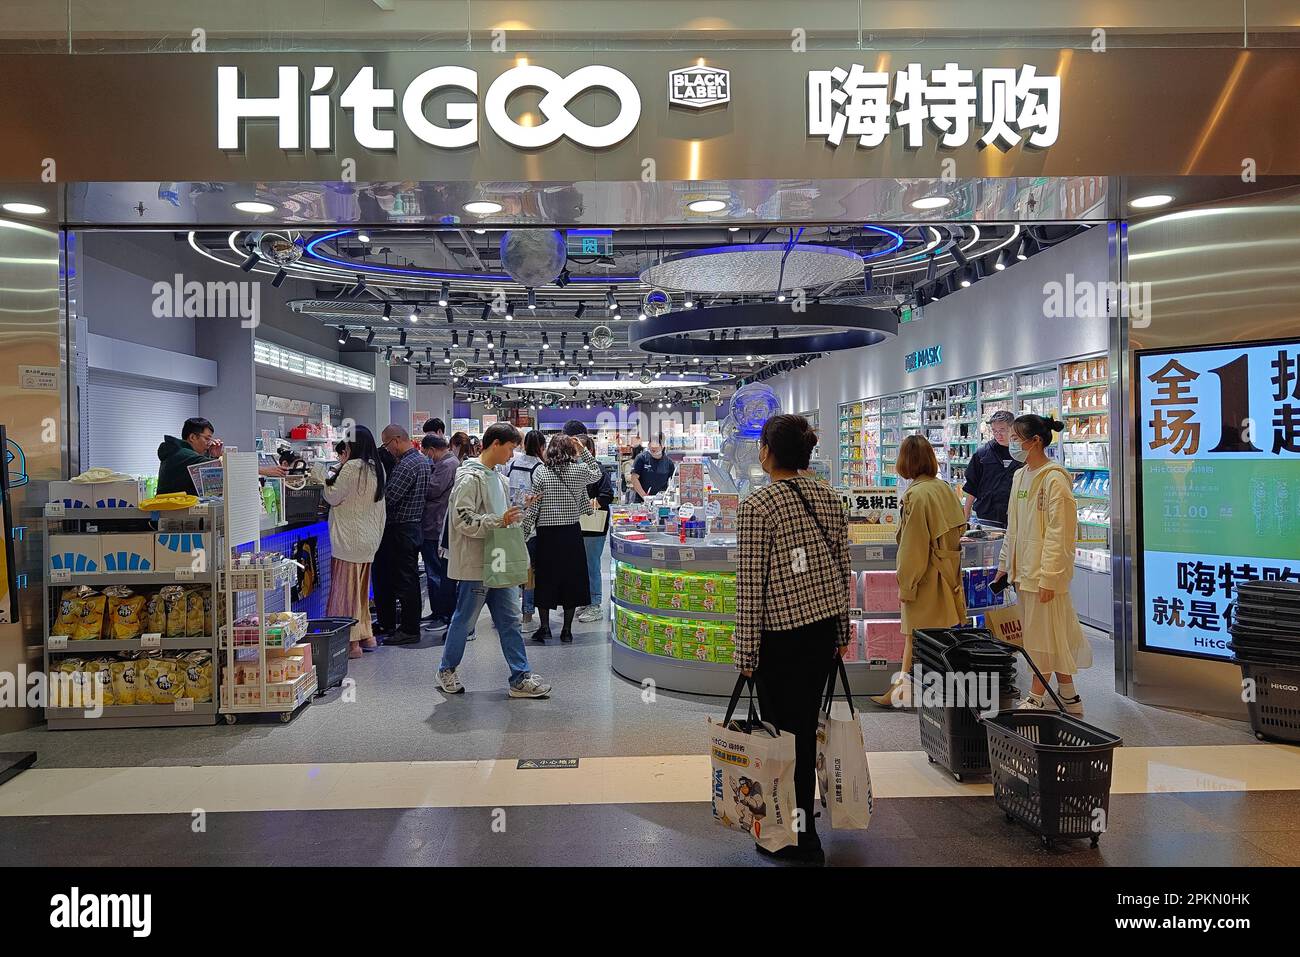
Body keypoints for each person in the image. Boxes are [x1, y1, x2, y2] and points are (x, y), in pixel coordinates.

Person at [734, 414, 850, 866]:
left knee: (782, 740)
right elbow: (843, 569)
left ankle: (796, 836)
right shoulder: (829, 496)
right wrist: (841, 633)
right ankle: (803, 831)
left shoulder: (757, 507)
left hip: (778, 641)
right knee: (805, 732)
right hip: (820, 635)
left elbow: (750, 588)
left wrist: (745, 654)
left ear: (768, 451)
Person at [438, 422, 551, 699]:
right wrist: (498, 520)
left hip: (497, 560)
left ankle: (520, 676)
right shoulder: (469, 478)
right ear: (496, 443)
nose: (512, 455)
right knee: (465, 620)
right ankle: (446, 669)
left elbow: (501, 517)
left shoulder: (498, 477)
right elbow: (461, 519)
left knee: (510, 620)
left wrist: (520, 509)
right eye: (511, 448)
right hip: (477, 563)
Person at [993, 414, 1092, 715]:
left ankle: (1037, 695)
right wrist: (1003, 567)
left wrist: (1050, 576)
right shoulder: (1020, 476)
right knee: (1051, 631)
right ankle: (1069, 695)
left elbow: (1059, 534)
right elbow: (1014, 527)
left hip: (1043, 576)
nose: (1012, 443)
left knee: (1041, 636)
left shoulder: (1054, 479)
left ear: (1035, 441)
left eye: (1016, 438)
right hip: (1022, 572)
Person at [872, 435, 968, 707]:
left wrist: (906, 585)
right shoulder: (944, 489)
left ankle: (905, 690)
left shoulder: (915, 495)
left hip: (926, 577)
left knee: (915, 636)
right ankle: (905, 689)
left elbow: (912, 547)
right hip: (948, 573)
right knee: (932, 637)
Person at [520, 434, 602, 642]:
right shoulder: (579, 470)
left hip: (547, 535)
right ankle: (567, 630)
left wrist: (523, 531)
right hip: (571, 533)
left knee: (546, 580)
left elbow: (534, 507)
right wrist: (583, 450)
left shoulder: (542, 473)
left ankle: (545, 627)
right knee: (573, 579)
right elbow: (596, 472)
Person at [322, 425, 387, 658]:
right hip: (369, 540)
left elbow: (332, 495)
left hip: (348, 540)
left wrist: (324, 476)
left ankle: (351, 644)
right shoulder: (376, 468)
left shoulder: (350, 467)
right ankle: (367, 636)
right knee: (360, 593)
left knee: (344, 593)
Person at [373, 424, 429, 645]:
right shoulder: (422, 461)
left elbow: (389, 498)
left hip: (401, 529)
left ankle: (409, 629)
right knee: (408, 579)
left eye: (387, 445)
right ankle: (404, 625)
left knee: (405, 581)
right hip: (414, 527)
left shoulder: (406, 465)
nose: (387, 450)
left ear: (396, 440)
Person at [157, 417, 285, 494]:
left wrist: (213, 456)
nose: (209, 443)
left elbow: (209, 474)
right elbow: (223, 468)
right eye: (207, 439)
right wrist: (265, 470)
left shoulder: (179, 452)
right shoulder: (183, 454)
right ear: (192, 437)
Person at [506, 430, 546, 623]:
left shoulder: (512, 464)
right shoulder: (540, 468)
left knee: (512, 570)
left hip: (511, 521)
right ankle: (527, 614)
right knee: (530, 571)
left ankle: (508, 611)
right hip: (532, 526)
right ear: (541, 447)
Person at [420, 433, 459, 628]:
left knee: (437, 573)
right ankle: (438, 612)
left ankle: (443, 615)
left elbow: (433, 490)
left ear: (432, 450)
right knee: (436, 572)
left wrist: (420, 483)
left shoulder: (447, 464)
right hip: (436, 523)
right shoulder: (450, 462)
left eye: (426, 453)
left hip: (436, 525)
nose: (427, 456)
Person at [576, 433, 615, 623]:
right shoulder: (574, 469)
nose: (574, 451)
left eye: (578, 447)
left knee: (591, 564)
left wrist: (589, 505)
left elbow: (607, 495)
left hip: (594, 524)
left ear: (589, 450)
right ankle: (586, 600)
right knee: (581, 565)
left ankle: (595, 604)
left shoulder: (598, 470)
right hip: (578, 524)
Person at [962, 410, 1022, 529]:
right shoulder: (983, 453)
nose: (998, 435)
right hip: (987, 515)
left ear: (1013, 428)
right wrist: (966, 511)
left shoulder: (1023, 452)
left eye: (1002, 430)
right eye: (994, 431)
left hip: (1018, 515)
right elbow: (972, 485)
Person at [629, 434, 675, 502]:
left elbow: (672, 482)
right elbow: (634, 478)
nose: (653, 447)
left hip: (661, 501)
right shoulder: (641, 458)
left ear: (662, 446)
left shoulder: (669, 462)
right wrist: (645, 497)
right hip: (642, 501)